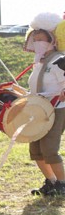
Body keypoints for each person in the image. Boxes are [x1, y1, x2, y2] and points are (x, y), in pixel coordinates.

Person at [22, 14, 65, 197]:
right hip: (38, 108)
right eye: (35, 39)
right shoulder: (38, 63)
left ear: (52, 40)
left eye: (42, 39)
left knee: (49, 149)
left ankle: (63, 184)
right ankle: (51, 182)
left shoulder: (59, 60)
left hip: (56, 109)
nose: (38, 42)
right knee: (36, 149)